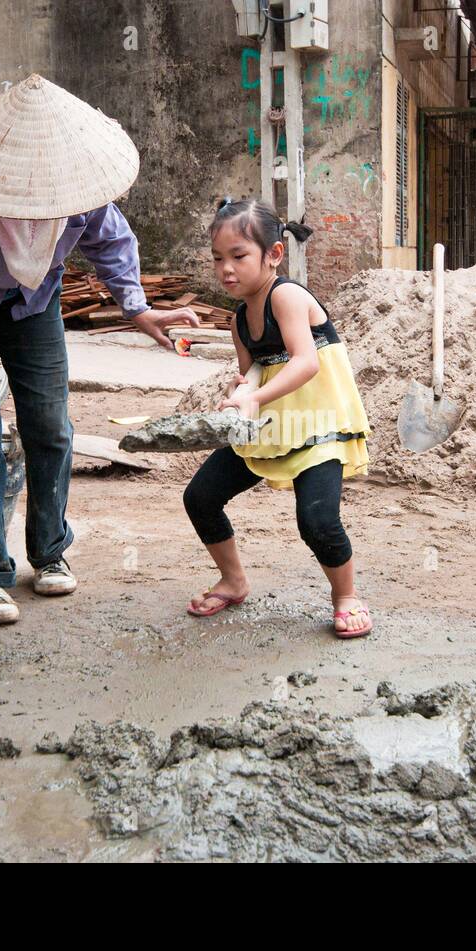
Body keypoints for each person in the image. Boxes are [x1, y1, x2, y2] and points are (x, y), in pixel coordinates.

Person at [0, 75, 199, 625]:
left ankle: (49, 549)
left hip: (34, 301)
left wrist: (138, 308)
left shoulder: (75, 187)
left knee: (50, 425)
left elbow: (112, 242)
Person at [181, 198, 373, 638]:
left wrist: (256, 395)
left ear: (274, 254)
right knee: (201, 497)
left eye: (238, 256)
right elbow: (251, 368)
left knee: (317, 519)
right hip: (273, 424)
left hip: (319, 422)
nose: (226, 269)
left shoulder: (285, 295)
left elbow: (306, 362)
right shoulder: (238, 317)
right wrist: (241, 388)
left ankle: (345, 596)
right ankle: (233, 580)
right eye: (217, 259)